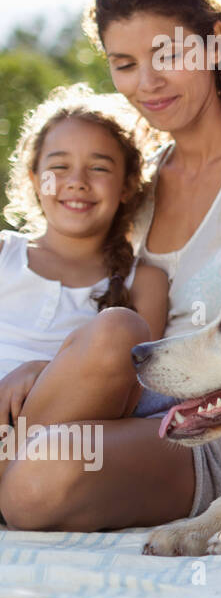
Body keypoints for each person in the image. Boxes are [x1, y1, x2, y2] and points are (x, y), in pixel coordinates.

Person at [0, 0, 221, 531]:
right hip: (146, 396)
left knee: (37, 484)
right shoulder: (148, 180)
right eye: (123, 63)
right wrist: (49, 374)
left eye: (166, 54)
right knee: (116, 329)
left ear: (214, 41)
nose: (145, 82)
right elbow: (129, 329)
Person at [0, 86, 168, 487]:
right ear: (34, 178)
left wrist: (44, 372)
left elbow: (132, 390)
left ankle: (11, 480)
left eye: (99, 168)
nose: (76, 181)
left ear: (127, 185)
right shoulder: (5, 253)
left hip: (48, 450)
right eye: (59, 166)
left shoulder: (143, 281)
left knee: (120, 331)